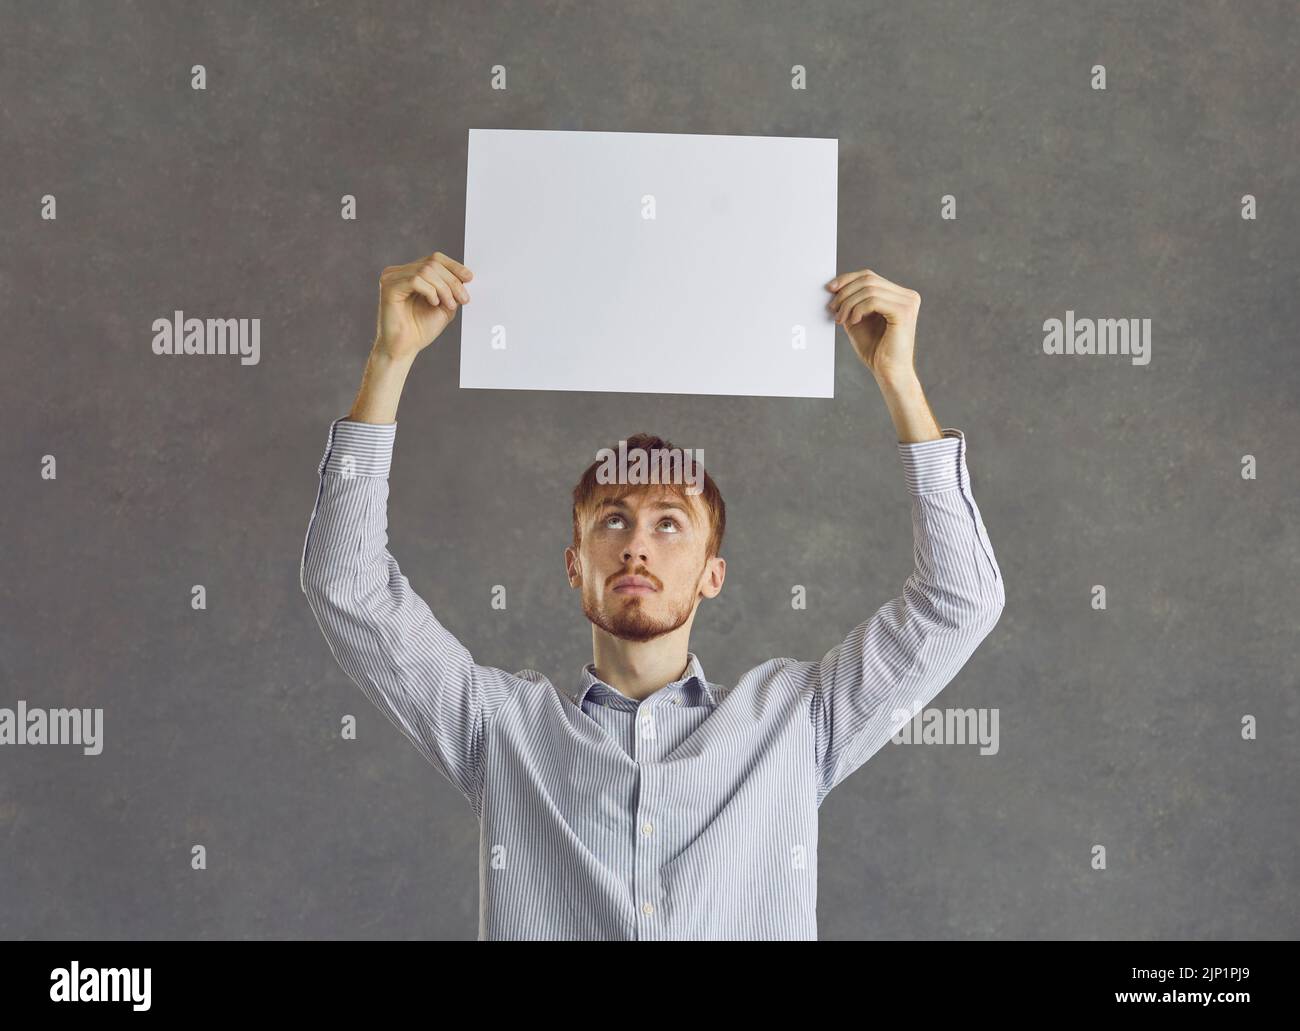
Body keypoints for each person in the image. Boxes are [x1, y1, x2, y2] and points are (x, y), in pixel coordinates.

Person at [300, 251, 1005, 940]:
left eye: (670, 523)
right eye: (614, 519)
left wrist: (899, 382)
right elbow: (347, 583)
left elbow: (960, 599)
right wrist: (388, 363)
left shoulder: (796, 722)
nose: (637, 544)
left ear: (712, 574)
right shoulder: (501, 729)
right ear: (575, 563)